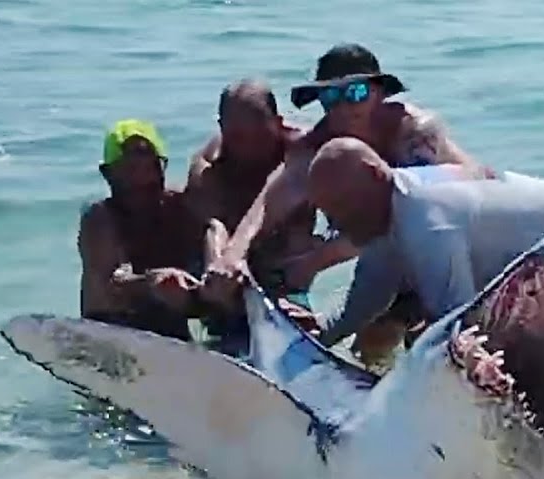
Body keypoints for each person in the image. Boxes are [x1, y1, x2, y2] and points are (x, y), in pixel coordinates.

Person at [198, 44, 483, 327]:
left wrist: (316, 260)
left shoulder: (412, 133)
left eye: (356, 93)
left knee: (432, 334)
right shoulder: (315, 147)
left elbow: (419, 214)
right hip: (394, 258)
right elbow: (270, 202)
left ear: (379, 93)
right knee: (372, 346)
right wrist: (234, 254)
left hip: (463, 243)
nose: (344, 107)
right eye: (332, 96)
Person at [285, 138, 544, 348]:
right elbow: (367, 300)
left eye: (342, 209)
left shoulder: (427, 221)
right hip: (536, 263)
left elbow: (461, 323)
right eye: (330, 216)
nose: (339, 226)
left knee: (431, 341)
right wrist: (318, 333)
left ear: (376, 175)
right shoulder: (387, 213)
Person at [144, 80, 322, 348]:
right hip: (224, 265)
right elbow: (214, 227)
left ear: (279, 122)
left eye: (260, 135)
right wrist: (219, 273)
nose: (249, 147)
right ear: (221, 128)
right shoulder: (208, 168)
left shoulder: (302, 152)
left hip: (284, 269)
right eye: (237, 136)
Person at [76, 119, 205, 341]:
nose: (143, 179)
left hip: (168, 330)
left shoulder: (178, 206)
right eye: (130, 170)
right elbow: (111, 286)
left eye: (151, 167)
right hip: (112, 328)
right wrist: (151, 283)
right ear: (107, 173)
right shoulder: (99, 219)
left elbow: (217, 222)